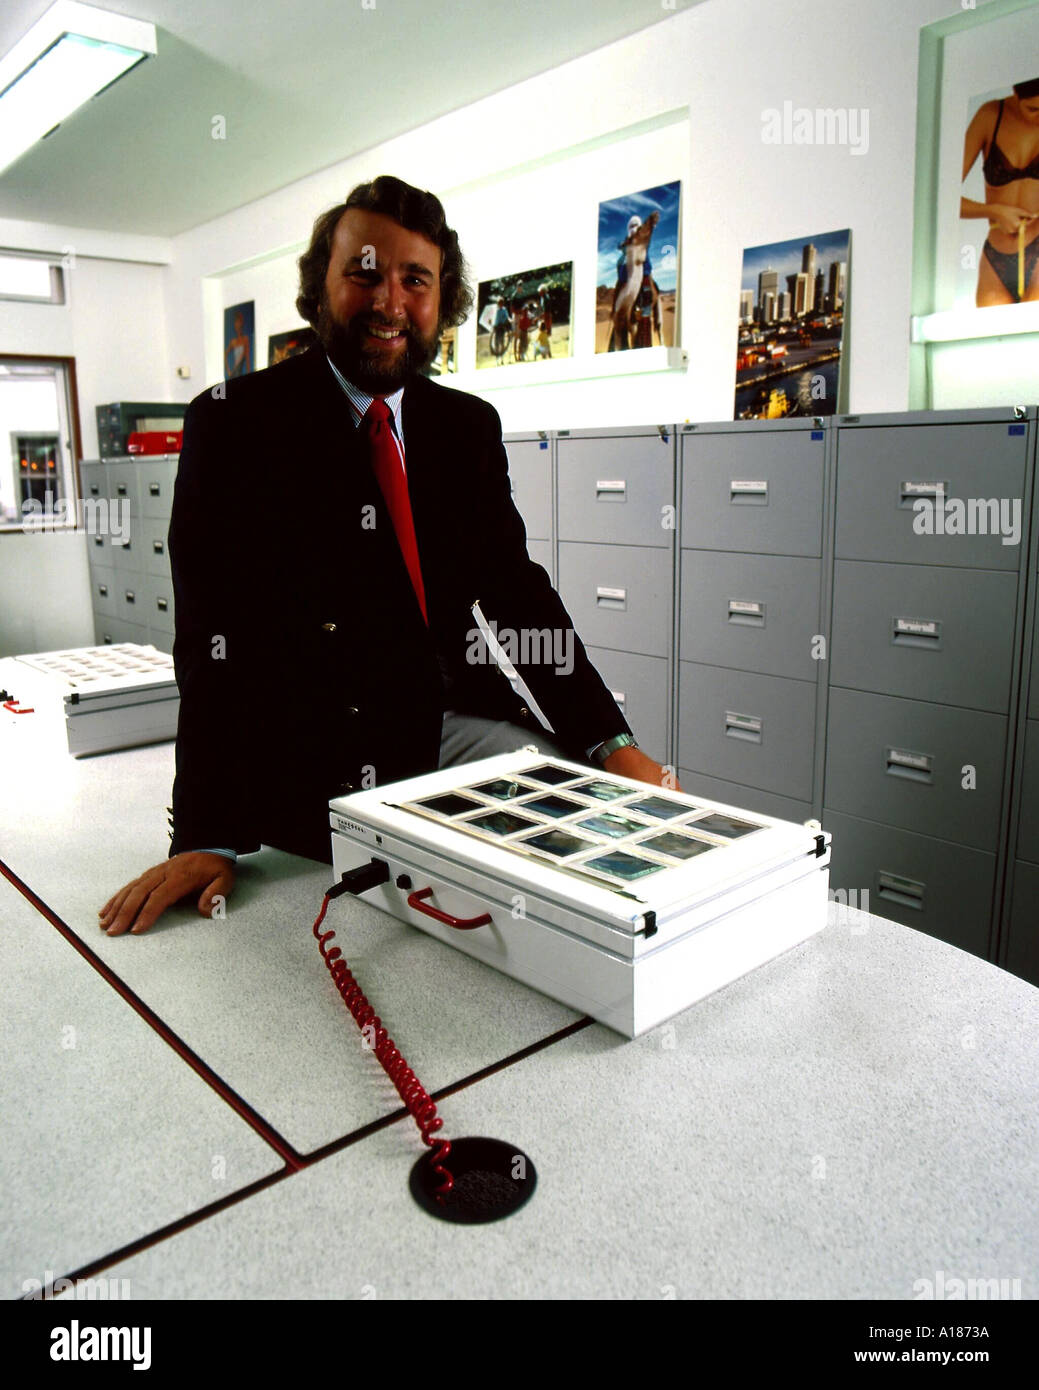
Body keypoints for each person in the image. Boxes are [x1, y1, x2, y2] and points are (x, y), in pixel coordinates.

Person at [99, 175, 677, 936]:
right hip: (316, 754)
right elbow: (211, 640)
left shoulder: (463, 426)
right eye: (364, 272)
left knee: (605, 851)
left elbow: (517, 596)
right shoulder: (236, 423)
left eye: (416, 279)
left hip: (448, 727)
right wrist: (205, 834)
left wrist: (612, 744)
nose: (389, 301)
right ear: (318, 288)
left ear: (444, 300)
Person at [961, 76, 1039, 306]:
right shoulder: (991, 116)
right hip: (996, 254)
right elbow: (940, 198)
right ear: (1016, 96)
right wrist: (994, 211)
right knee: (991, 340)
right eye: (1033, 109)